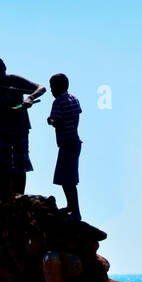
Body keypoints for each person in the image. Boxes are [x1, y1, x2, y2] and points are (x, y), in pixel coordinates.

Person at [0, 57, 46, 195]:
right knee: (3, 163)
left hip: (20, 127)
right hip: (3, 129)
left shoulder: (15, 80)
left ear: (4, 67)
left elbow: (41, 88)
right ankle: (5, 196)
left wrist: (30, 98)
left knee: (20, 164)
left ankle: (19, 196)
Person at [47, 73, 83, 219]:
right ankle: (72, 207)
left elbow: (57, 121)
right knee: (70, 178)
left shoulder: (58, 102)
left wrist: (50, 121)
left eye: (52, 87)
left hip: (66, 144)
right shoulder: (74, 99)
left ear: (57, 87)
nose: (51, 90)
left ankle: (75, 211)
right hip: (75, 141)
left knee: (66, 179)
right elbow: (76, 117)